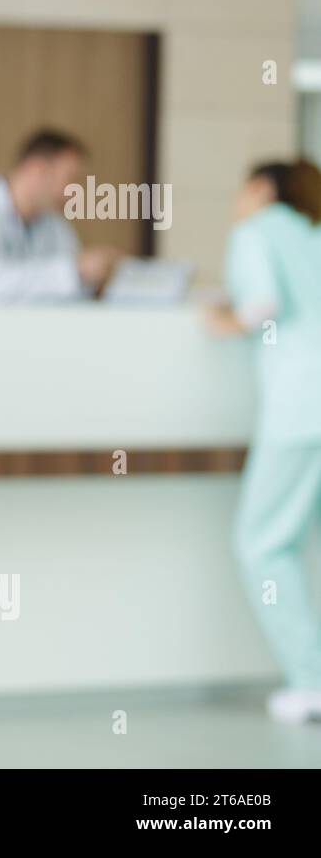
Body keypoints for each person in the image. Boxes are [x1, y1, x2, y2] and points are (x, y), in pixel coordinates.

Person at [207, 159, 321, 725]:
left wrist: (221, 322)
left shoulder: (255, 231)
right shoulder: (313, 234)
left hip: (301, 410)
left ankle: (310, 682)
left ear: (259, 189)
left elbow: (262, 307)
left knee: (264, 545)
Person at [0, 129, 122, 303]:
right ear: (37, 170)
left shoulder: (55, 225)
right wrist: (76, 271)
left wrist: (95, 283)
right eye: (70, 180)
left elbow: (68, 292)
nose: (75, 192)